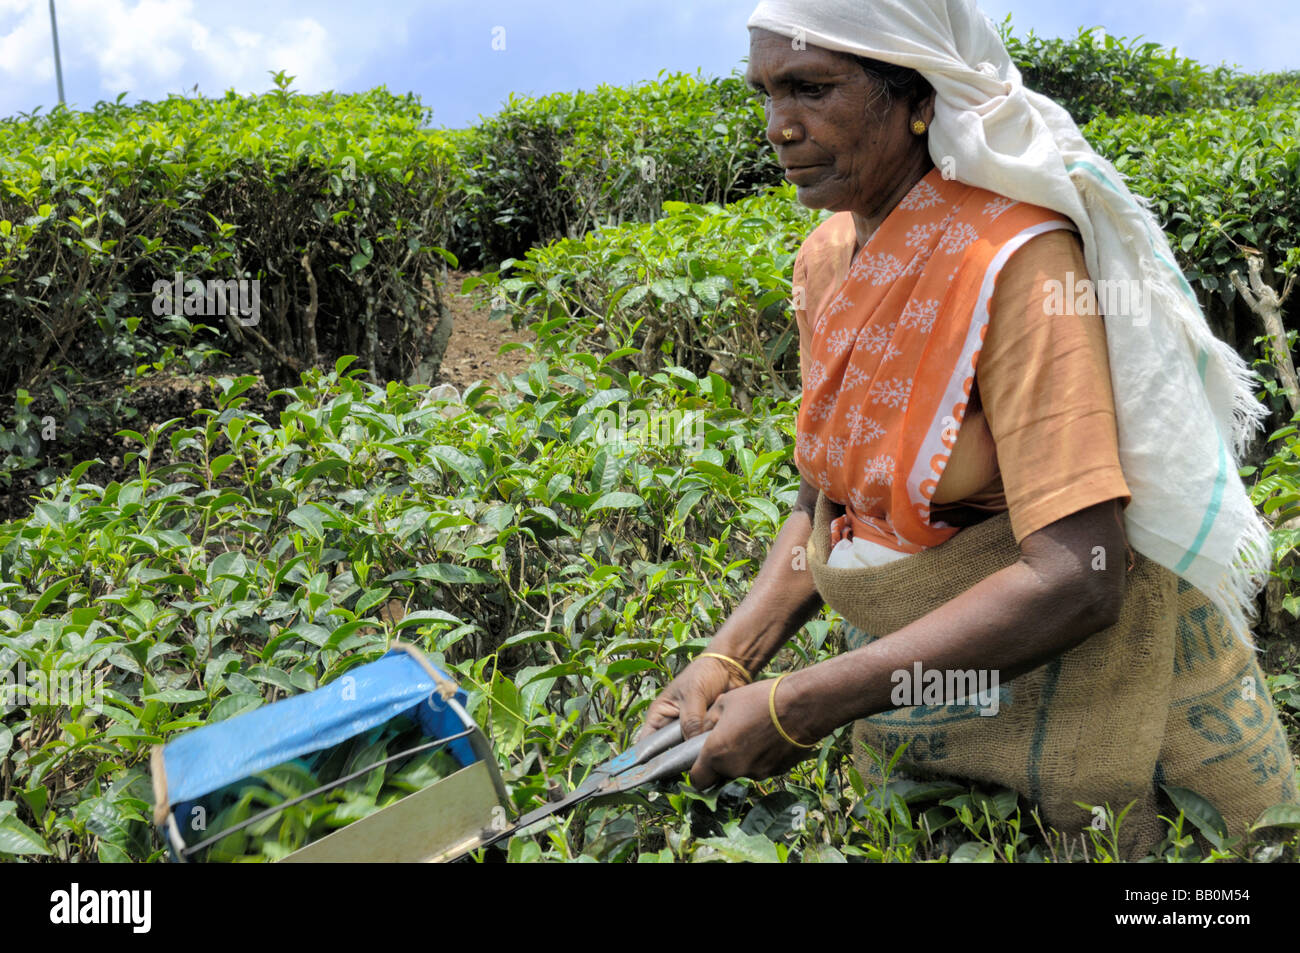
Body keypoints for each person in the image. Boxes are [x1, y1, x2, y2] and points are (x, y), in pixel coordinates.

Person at [640, 0, 1297, 851]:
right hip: (916, 718)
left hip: (1088, 703)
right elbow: (824, 504)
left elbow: (1077, 576)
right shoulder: (827, 258)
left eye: (810, 89)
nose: (778, 126)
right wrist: (727, 658)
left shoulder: (1016, 262)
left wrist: (804, 704)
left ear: (916, 95)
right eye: (765, 93)